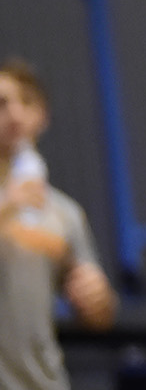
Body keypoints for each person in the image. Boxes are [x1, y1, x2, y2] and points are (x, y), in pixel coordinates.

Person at [0, 59, 116, 390]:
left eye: (26, 101)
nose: (15, 114)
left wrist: (98, 298)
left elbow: (99, 317)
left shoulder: (64, 214)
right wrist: (7, 207)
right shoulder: (13, 203)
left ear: (43, 116)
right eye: (2, 103)